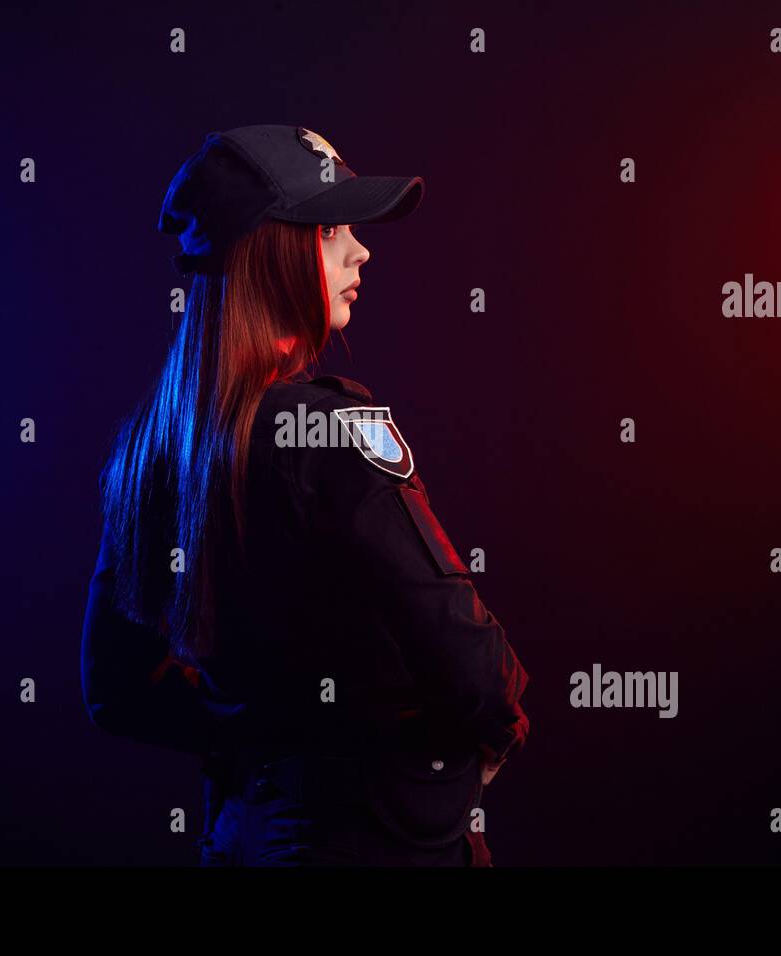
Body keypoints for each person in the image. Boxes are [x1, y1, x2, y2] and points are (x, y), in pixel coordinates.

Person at [80, 125, 530, 866]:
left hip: (242, 839)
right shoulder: (333, 433)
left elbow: (114, 691)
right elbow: (475, 665)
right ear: (273, 253)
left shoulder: (151, 449)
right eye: (329, 230)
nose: (361, 250)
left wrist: (259, 737)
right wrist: (484, 740)